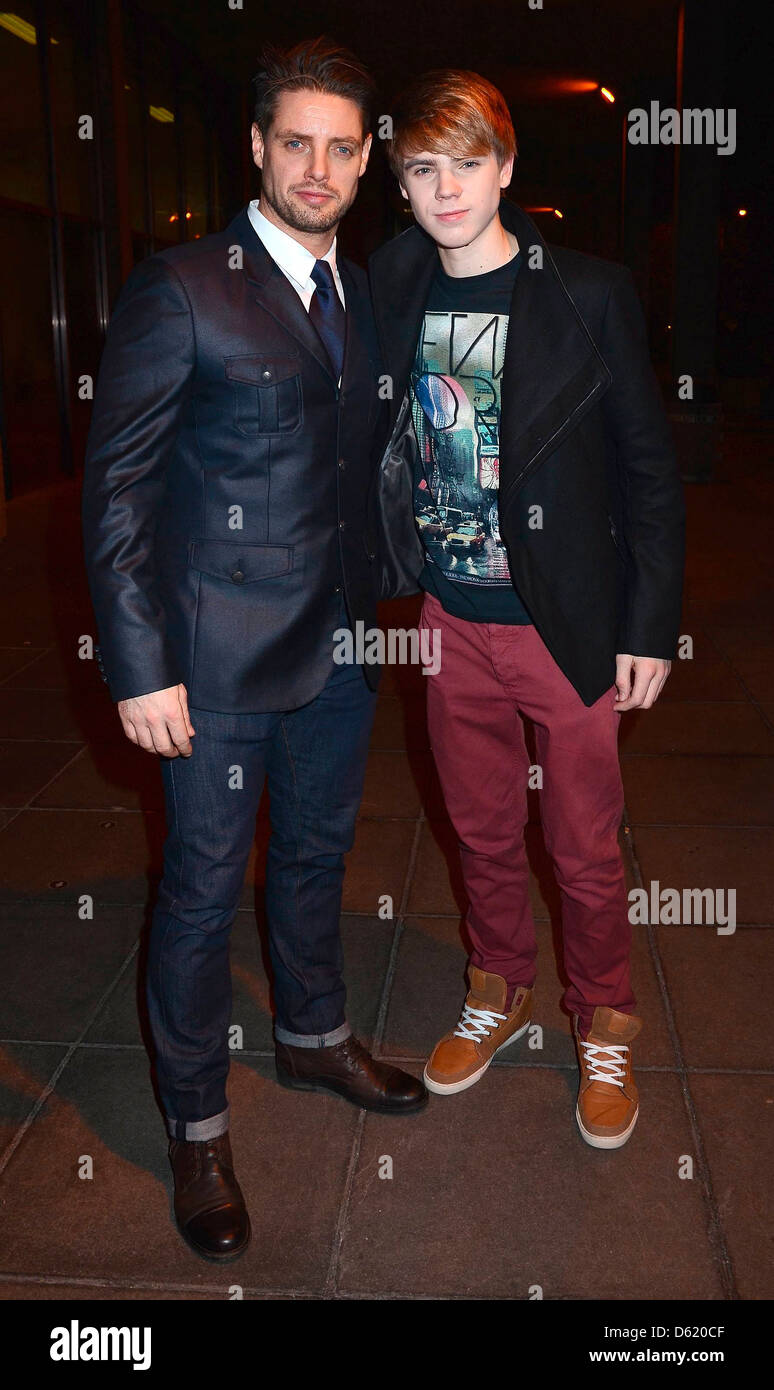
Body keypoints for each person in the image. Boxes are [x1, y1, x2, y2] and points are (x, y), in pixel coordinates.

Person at [82, 37, 427, 1265]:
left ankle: (314, 1032)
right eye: (298, 143)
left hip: (338, 644)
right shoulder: (183, 286)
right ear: (257, 148)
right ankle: (195, 1121)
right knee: (199, 891)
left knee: (320, 852)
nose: (319, 168)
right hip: (212, 664)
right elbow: (116, 490)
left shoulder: (373, 292)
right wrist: (137, 665)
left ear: (365, 157)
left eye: (343, 146)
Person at [369, 68, 685, 1150]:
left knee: (585, 843)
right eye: (422, 167)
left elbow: (648, 467)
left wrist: (649, 622)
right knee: (479, 828)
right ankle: (497, 984)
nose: (446, 187)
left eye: (467, 162)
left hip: (566, 619)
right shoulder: (394, 281)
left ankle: (604, 1018)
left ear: (506, 168)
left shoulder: (585, 292)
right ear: (400, 183)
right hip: (451, 620)